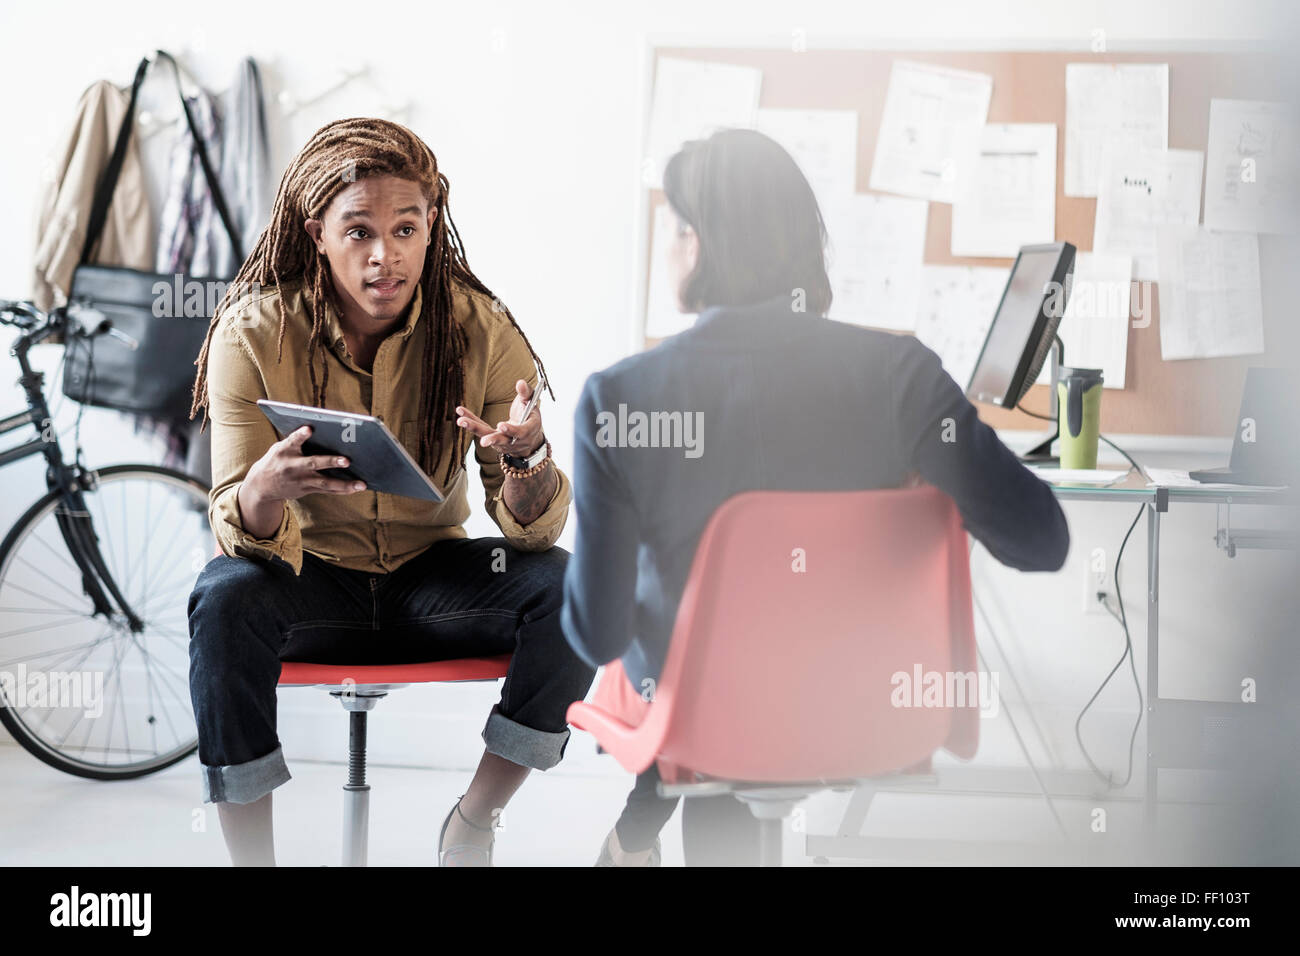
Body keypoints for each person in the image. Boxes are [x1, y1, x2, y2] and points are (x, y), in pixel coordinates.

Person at [560, 129, 1070, 866]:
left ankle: (635, 837)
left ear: (698, 243)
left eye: (674, 227)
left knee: (687, 666)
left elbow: (597, 634)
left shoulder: (619, 399)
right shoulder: (903, 376)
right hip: (863, 707)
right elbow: (1041, 540)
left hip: (703, 718)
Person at [187, 117, 594, 867]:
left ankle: (474, 820)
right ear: (316, 233)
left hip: (432, 584)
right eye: (359, 232)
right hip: (306, 579)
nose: (387, 255)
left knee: (572, 589)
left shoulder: (480, 328)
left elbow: (531, 533)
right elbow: (234, 524)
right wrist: (265, 490)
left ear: (432, 224)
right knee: (222, 597)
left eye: (406, 229)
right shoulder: (252, 332)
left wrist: (527, 458)